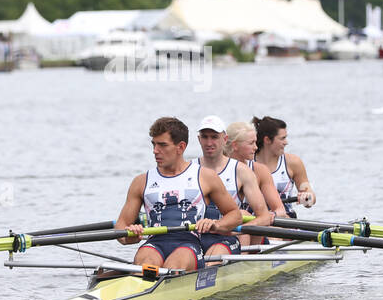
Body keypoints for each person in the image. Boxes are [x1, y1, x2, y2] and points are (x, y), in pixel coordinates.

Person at [115, 116, 242, 272]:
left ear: (180, 147)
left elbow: (235, 215)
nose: (155, 151)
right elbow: (120, 227)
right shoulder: (141, 181)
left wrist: (216, 225)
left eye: (162, 145)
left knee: (174, 266)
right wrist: (129, 237)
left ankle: (163, 285)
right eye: (154, 144)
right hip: (154, 243)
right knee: (145, 262)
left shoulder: (205, 177)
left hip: (188, 245)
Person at [193, 116, 276, 256]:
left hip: (229, 236)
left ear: (224, 139)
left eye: (214, 137)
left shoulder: (241, 171)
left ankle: (241, 262)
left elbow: (264, 217)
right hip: (197, 234)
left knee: (243, 214)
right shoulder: (190, 168)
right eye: (204, 137)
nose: (209, 142)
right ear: (198, 139)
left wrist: (239, 228)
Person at [252, 116, 315, 217]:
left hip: (286, 219)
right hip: (255, 219)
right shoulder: (246, 163)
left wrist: (308, 197)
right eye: (282, 138)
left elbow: (309, 193)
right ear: (267, 140)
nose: (286, 142)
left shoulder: (293, 163)